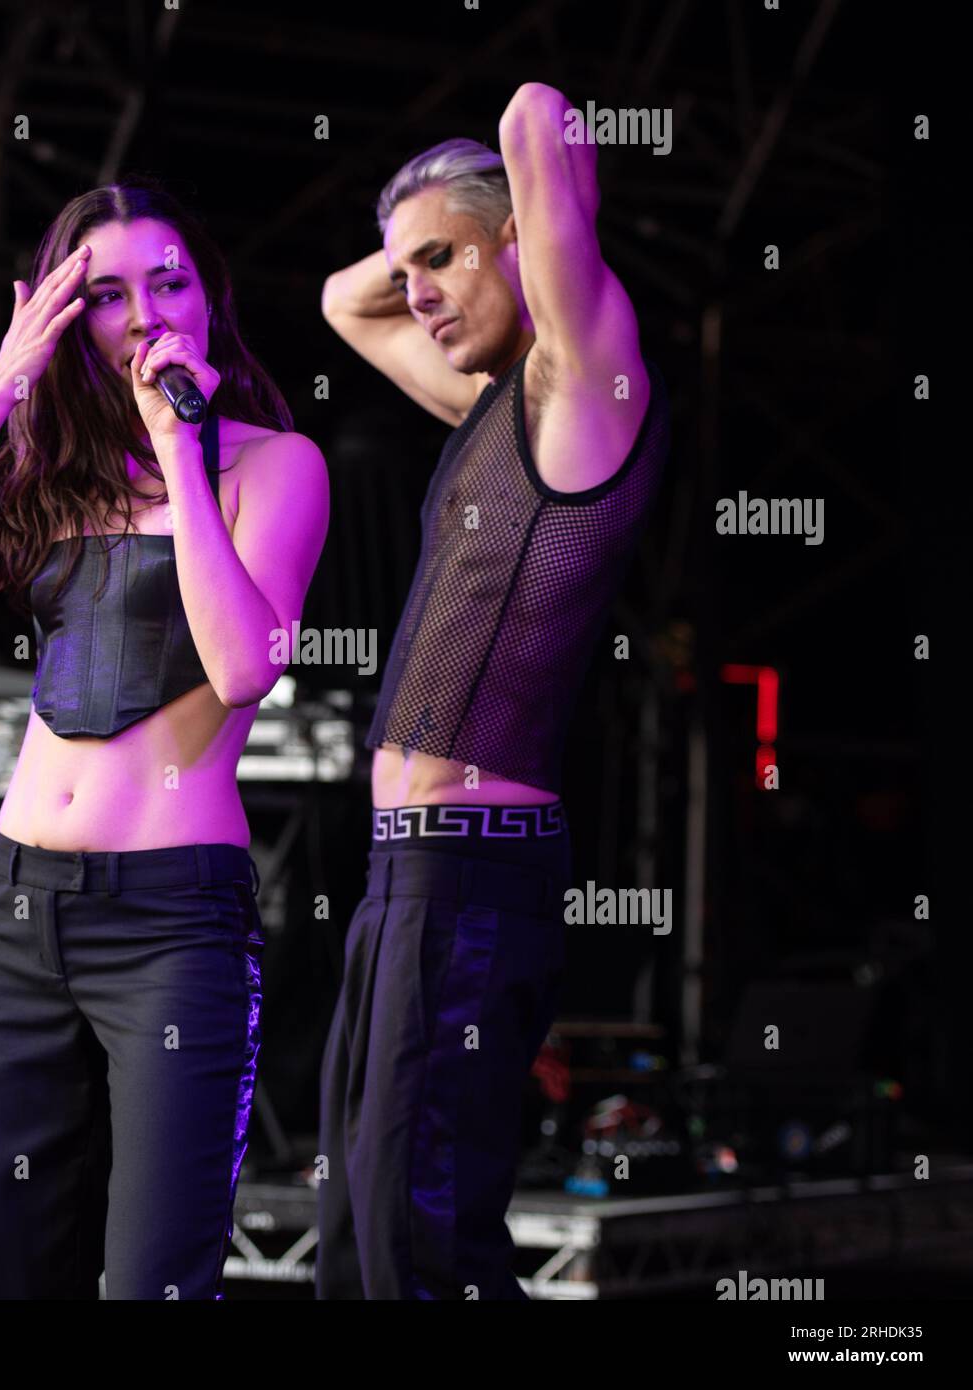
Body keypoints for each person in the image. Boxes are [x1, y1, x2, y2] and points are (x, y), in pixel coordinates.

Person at [0, 177, 329, 1299]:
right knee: (6, 1272)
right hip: (20, 915)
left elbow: (245, 659)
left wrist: (183, 449)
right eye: (107, 294)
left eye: (169, 281)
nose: (146, 312)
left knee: (152, 1276)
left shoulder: (273, 467)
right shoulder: (50, 490)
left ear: (208, 299)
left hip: (171, 925)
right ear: (72, 321)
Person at [315, 83, 670, 1299]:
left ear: (524, 240)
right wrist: (433, 242)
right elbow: (337, 301)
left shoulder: (585, 387)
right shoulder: (483, 403)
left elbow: (533, 114)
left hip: (472, 868)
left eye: (439, 261)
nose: (410, 288)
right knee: (357, 1231)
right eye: (404, 263)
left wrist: (518, 223)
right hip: (401, 870)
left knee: (424, 1238)